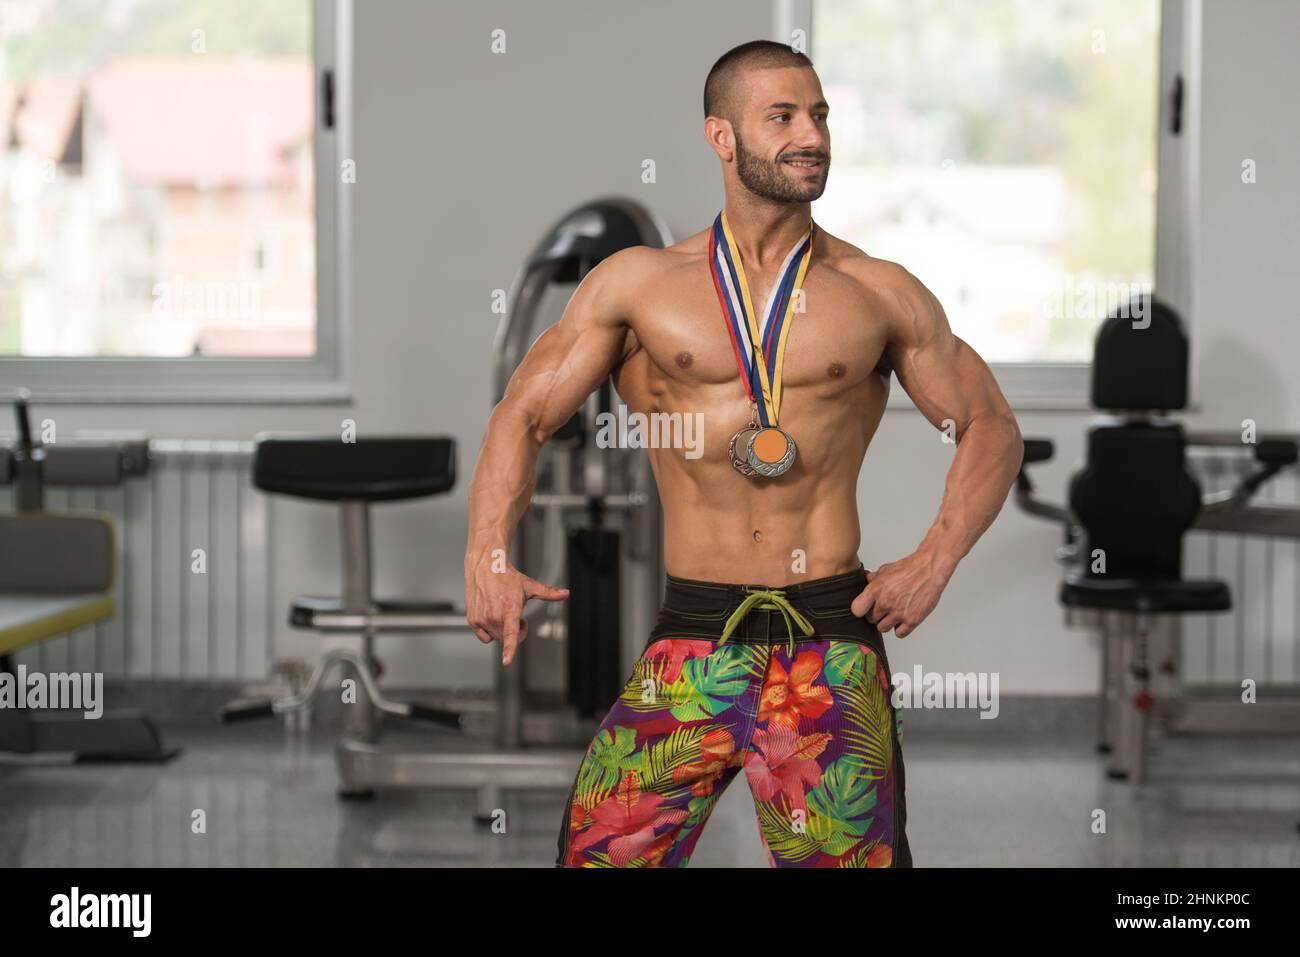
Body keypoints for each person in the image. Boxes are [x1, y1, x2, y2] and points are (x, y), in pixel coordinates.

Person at [464, 39, 1023, 868]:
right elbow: (524, 413)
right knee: (600, 857)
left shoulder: (879, 290)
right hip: (696, 634)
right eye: (784, 117)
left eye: (821, 115)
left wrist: (934, 560)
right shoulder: (639, 283)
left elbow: (991, 425)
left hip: (828, 636)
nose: (813, 136)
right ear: (721, 137)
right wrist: (488, 550)